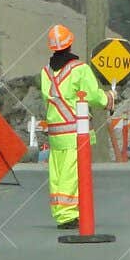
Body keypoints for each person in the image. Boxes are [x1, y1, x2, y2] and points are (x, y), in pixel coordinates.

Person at [41, 25, 109, 228]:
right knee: (72, 175)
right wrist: (109, 99)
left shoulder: (46, 72)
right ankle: (68, 215)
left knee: (57, 174)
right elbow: (94, 96)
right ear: (70, 43)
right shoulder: (80, 69)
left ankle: (60, 210)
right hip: (74, 132)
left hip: (55, 132)